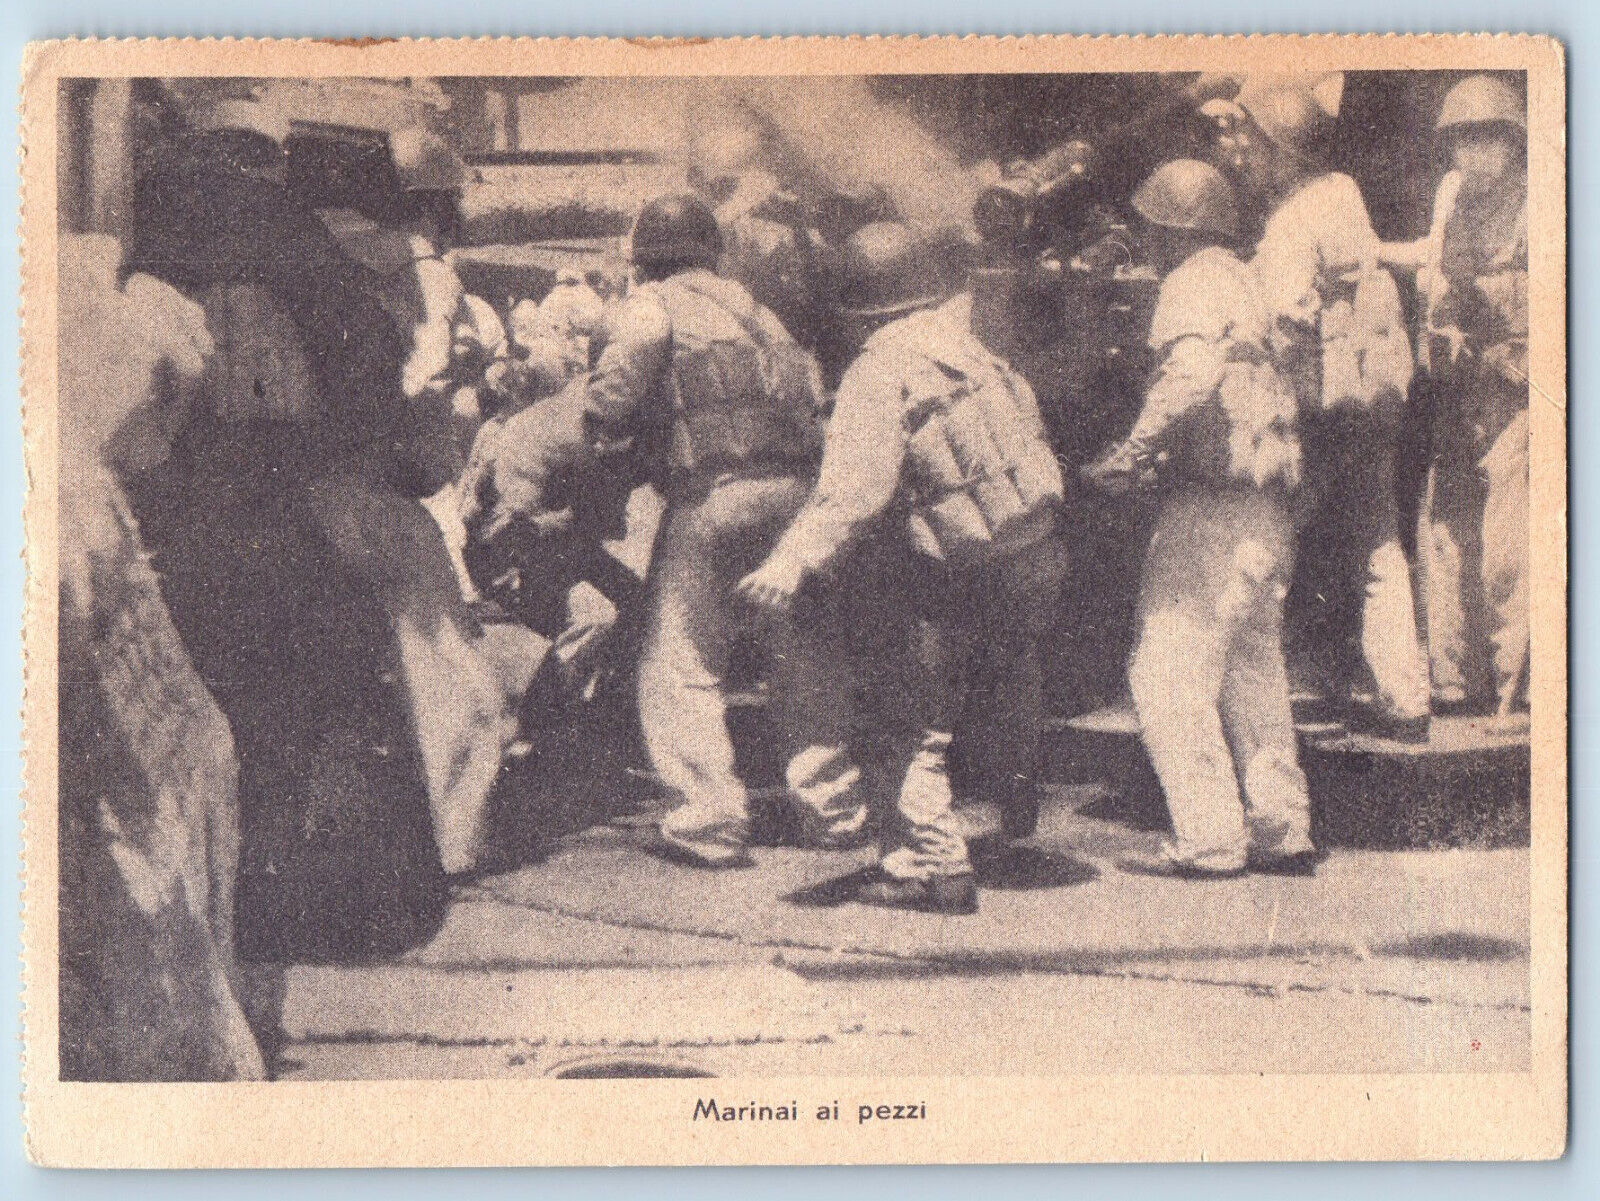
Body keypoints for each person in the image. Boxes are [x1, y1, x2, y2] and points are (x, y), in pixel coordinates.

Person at [737, 221, 1067, 913]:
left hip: (953, 567)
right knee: (987, 698)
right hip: (1026, 552)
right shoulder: (966, 350)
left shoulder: (880, 367)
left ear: (860, 308)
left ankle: (934, 865)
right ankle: (1005, 807)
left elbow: (855, 487)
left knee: (904, 720)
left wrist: (791, 562)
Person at [577, 193, 866, 868]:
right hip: (795, 493)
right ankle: (836, 812)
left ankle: (709, 818)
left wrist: (604, 421)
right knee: (806, 659)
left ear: (646, 257)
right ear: (711, 249)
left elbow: (615, 392)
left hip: (713, 496)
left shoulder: (653, 307)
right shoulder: (759, 313)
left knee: (679, 662)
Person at [1084, 160, 1317, 878]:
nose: (1144, 240)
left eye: (1151, 227)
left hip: (1206, 511)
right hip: (1266, 509)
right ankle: (1282, 828)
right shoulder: (1246, 278)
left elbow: (1190, 376)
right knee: (1253, 672)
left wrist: (1131, 449)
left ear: (1172, 229)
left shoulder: (1190, 283)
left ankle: (1210, 839)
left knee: (1167, 673)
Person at [1228, 82, 1432, 743]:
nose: (1246, 154)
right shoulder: (1344, 194)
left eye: (1255, 142)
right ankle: (1406, 697)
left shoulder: (1290, 221)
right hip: (1372, 404)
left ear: (1283, 150)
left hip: (1317, 415)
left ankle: (1258, 698)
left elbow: (1288, 325)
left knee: (1272, 548)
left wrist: (1267, 403)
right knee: (1377, 547)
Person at [1379, 75, 1529, 722]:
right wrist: (1374, 249)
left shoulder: (1541, 201)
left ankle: (1516, 691)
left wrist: (1489, 298)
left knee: (1508, 546)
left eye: (1488, 138)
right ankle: (1451, 678)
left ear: (1513, 140)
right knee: (1443, 532)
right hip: (1453, 382)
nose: (1474, 153)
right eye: (1463, 139)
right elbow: (1432, 258)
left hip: (1513, 386)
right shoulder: (1451, 193)